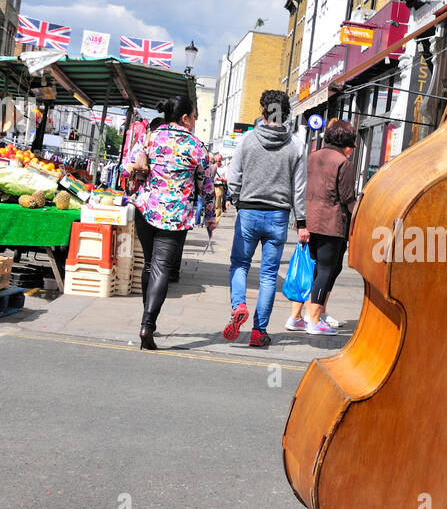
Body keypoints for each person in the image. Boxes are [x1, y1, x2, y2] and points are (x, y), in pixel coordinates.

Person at [223, 90, 308, 348]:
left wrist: (236, 199)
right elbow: (300, 187)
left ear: (263, 112)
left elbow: (233, 176)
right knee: (269, 275)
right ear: (286, 114)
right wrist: (301, 221)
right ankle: (259, 332)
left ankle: (239, 305)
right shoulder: (296, 145)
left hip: (248, 211)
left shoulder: (248, 140)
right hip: (278, 215)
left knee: (240, 264)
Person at [121, 95, 206, 350]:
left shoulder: (150, 138)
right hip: (175, 216)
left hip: (146, 210)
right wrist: (210, 215)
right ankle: (148, 325)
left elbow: (126, 167)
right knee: (161, 269)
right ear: (184, 118)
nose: (193, 122)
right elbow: (207, 185)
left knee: (150, 265)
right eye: (193, 117)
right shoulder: (195, 145)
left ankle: (146, 318)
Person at [285, 120, 358, 335]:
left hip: (309, 221)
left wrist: (300, 222)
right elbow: (346, 198)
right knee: (325, 270)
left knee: (310, 270)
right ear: (346, 143)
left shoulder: (313, 156)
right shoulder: (343, 163)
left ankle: (297, 317)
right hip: (331, 223)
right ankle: (314, 320)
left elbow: (299, 189)